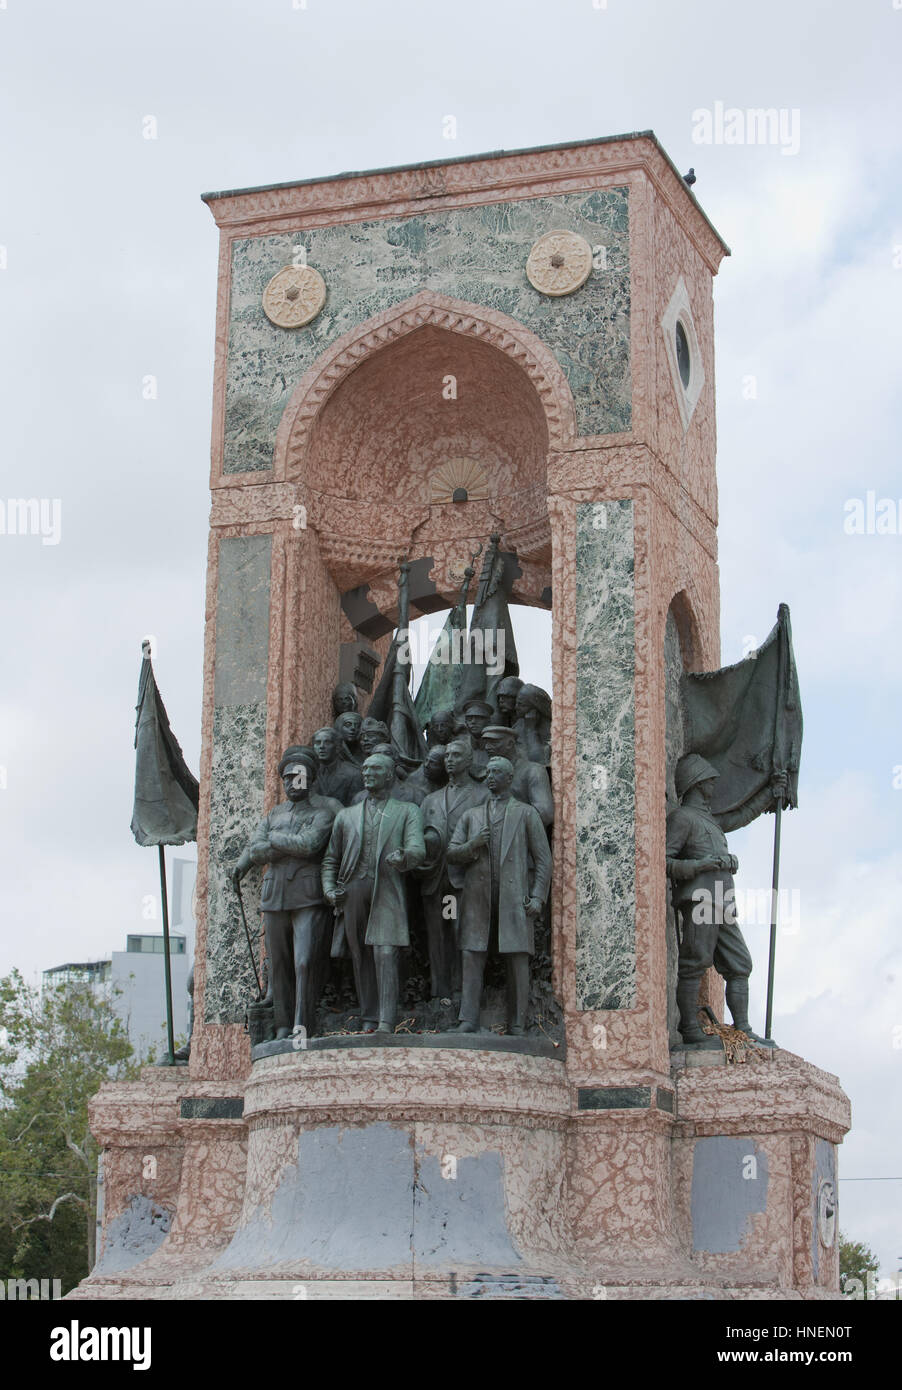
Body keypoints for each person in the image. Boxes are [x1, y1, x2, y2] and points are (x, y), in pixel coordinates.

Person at [667, 753, 786, 1048]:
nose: (713, 786)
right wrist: (705, 864)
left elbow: (739, 816)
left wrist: (771, 794)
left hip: (722, 901)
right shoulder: (682, 818)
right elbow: (666, 861)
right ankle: (690, 1029)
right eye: (709, 781)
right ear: (697, 783)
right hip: (700, 898)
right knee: (695, 962)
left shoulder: (711, 821)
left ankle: (742, 1027)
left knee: (740, 963)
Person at [231, 746, 341, 1040]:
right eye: (288, 779)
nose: (293, 783)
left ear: (310, 779)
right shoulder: (274, 814)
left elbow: (309, 845)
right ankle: (282, 1026)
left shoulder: (324, 812)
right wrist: (242, 865)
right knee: (278, 966)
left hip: (308, 896)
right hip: (275, 895)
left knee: (304, 962)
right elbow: (255, 849)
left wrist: (274, 843)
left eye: (299, 778)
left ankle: (302, 1025)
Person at [321, 752, 425, 1033]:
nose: (367, 773)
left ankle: (387, 1021)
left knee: (386, 951)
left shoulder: (407, 811)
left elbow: (418, 849)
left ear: (390, 775)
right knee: (361, 954)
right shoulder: (346, 816)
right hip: (353, 890)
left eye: (375, 769)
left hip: (388, 888)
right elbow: (331, 859)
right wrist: (330, 889)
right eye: (365, 768)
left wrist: (404, 857)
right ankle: (369, 1015)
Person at [447, 756, 551, 1035]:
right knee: (471, 954)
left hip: (514, 897)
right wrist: (473, 844)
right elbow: (452, 853)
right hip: (477, 897)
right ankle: (467, 1019)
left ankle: (518, 1023)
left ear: (509, 778)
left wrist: (538, 896)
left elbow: (543, 860)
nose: (491, 777)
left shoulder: (526, 813)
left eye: (497, 773)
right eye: (488, 772)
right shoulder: (471, 816)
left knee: (517, 958)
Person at [418, 738, 490, 1001]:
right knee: (437, 938)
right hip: (436, 878)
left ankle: (464, 996)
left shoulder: (482, 795)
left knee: (463, 935)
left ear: (469, 761)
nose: (449, 759)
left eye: (456, 755)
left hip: (466, 877)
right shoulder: (431, 800)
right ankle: (441, 994)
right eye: (447, 755)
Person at [479, 725, 554, 828]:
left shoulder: (533, 771)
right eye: (486, 743)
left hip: (522, 839)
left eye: (494, 742)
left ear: (510, 744)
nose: (487, 747)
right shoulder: (487, 778)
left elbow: (545, 814)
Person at [312, 725, 364, 805]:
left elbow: (356, 807)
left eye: (327, 742)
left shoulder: (354, 774)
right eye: (318, 743)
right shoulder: (307, 772)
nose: (322, 747)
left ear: (338, 747)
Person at [461, 697, 494, 777]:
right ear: (465, 722)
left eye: (479, 718)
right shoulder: (461, 746)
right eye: (469, 719)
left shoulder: (497, 745)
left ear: (488, 721)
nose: (473, 722)